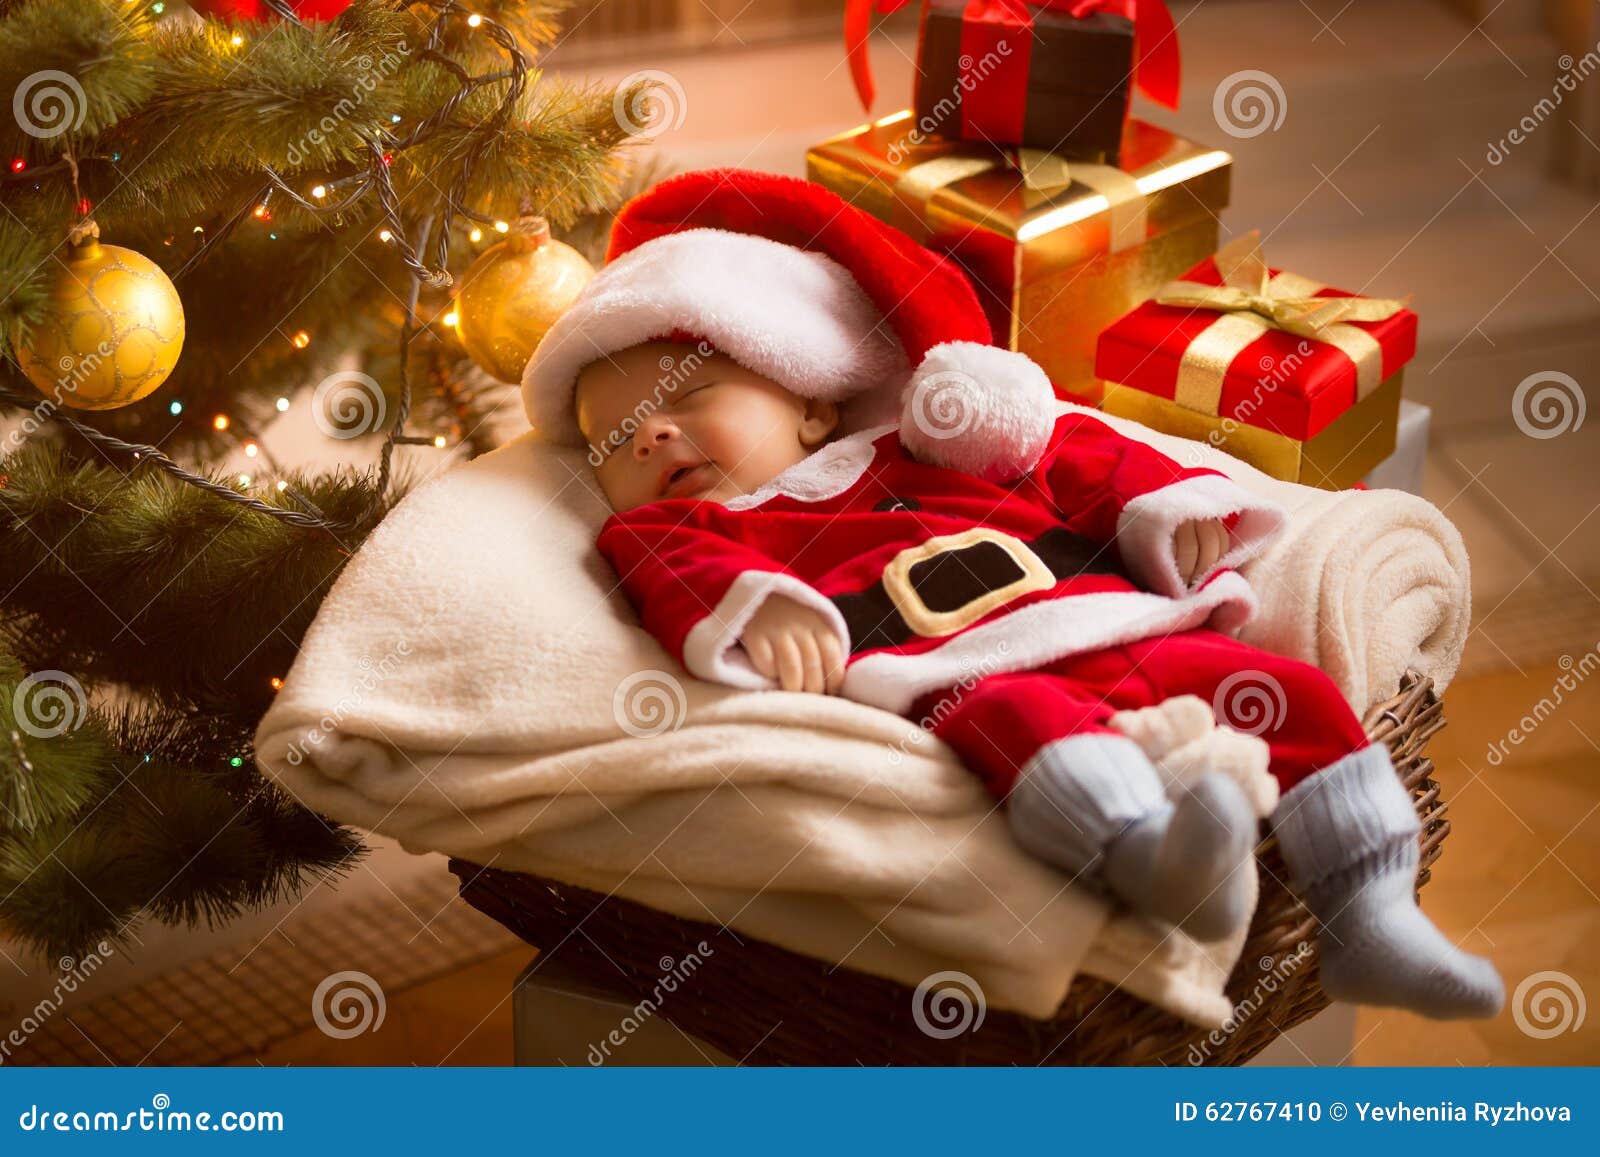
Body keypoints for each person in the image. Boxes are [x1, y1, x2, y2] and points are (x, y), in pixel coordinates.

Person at [521, 167, 1503, 1019]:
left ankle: (1371, 909)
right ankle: (1155, 860)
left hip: (1105, 609)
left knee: (1286, 692)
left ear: (811, 399)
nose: (647, 437)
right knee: (1029, 725)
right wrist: (761, 604)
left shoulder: (923, 434)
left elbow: (1069, 452)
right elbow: (671, 571)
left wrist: (1167, 505)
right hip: (948, 671)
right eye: (614, 440)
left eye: (685, 399)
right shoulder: (691, 524)